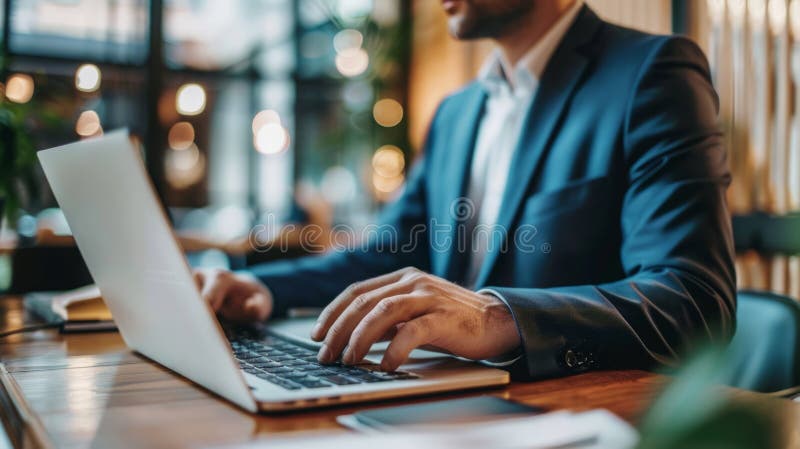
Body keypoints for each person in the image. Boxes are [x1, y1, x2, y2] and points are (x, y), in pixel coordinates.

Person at [195, 0, 736, 379]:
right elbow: (387, 255)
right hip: (447, 405)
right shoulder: (456, 113)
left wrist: (495, 315)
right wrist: (262, 288)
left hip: (579, 414)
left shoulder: (652, 73)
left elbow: (694, 298)